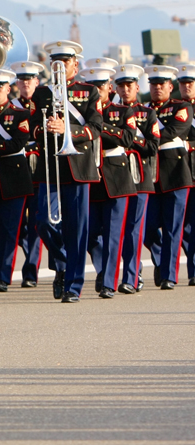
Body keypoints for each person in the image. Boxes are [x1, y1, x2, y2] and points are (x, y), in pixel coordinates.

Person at [29, 41, 102, 303]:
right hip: (51, 167)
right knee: (44, 222)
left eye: (65, 62)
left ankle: (74, 285)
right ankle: (62, 264)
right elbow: (32, 128)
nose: (59, 67)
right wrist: (45, 129)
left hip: (78, 167)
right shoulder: (41, 93)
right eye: (55, 63)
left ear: (75, 64)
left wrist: (68, 129)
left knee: (77, 229)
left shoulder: (89, 92)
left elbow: (95, 127)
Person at [80, 66, 136, 298]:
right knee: (90, 232)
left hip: (115, 174)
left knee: (114, 233)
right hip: (90, 174)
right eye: (92, 87)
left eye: (100, 87)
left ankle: (109, 283)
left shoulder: (121, 111)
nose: (97, 91)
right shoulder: (81, 114)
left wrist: (98, 127)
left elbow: (128, 138)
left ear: (109, 88)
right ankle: (104, 271)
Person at [0, 69, 34, 291]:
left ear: (8, 89)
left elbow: (18, 142)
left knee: (9, 229)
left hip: (14, 176)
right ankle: (0, 261)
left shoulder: (20, 114)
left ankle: (2, 276)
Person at [142, 65, 192, 290]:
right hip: (151, 176)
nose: (157, 88)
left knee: (173, 227)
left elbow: (174, 131)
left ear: (170, 87)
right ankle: (162, 260)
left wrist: (145, 138)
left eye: (162, 84)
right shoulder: (142, 109)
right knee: (147, 226)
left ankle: (168, 276)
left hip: (175, 174)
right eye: (153, 84)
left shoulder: (181, 107)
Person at [115, 64, 159, 294]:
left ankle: (131, 277)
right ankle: (110, 273)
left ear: (137, 87)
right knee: (111, 230)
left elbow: (152, 146)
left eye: (128, 85)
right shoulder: (108, 112)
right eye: (120, 86)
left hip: (138, 177)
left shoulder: (147, 113)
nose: (124, 90)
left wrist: (128, 140)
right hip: (114, 178)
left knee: (133, 229)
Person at [8, 60, 44, 287]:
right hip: (18, 168)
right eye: (22, 80)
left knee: (38, 223)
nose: (26, 83)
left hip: (39, 166)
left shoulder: (44, 105)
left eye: (29, 79)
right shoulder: (11, 107)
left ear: (37, 82)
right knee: (18, 223)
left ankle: (31, 271)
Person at [177, 64, 195, 285]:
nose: (187, 86)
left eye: (190, 82)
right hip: (178, 173)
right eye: (183, 83)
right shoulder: (173, 109)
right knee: (180, 226)